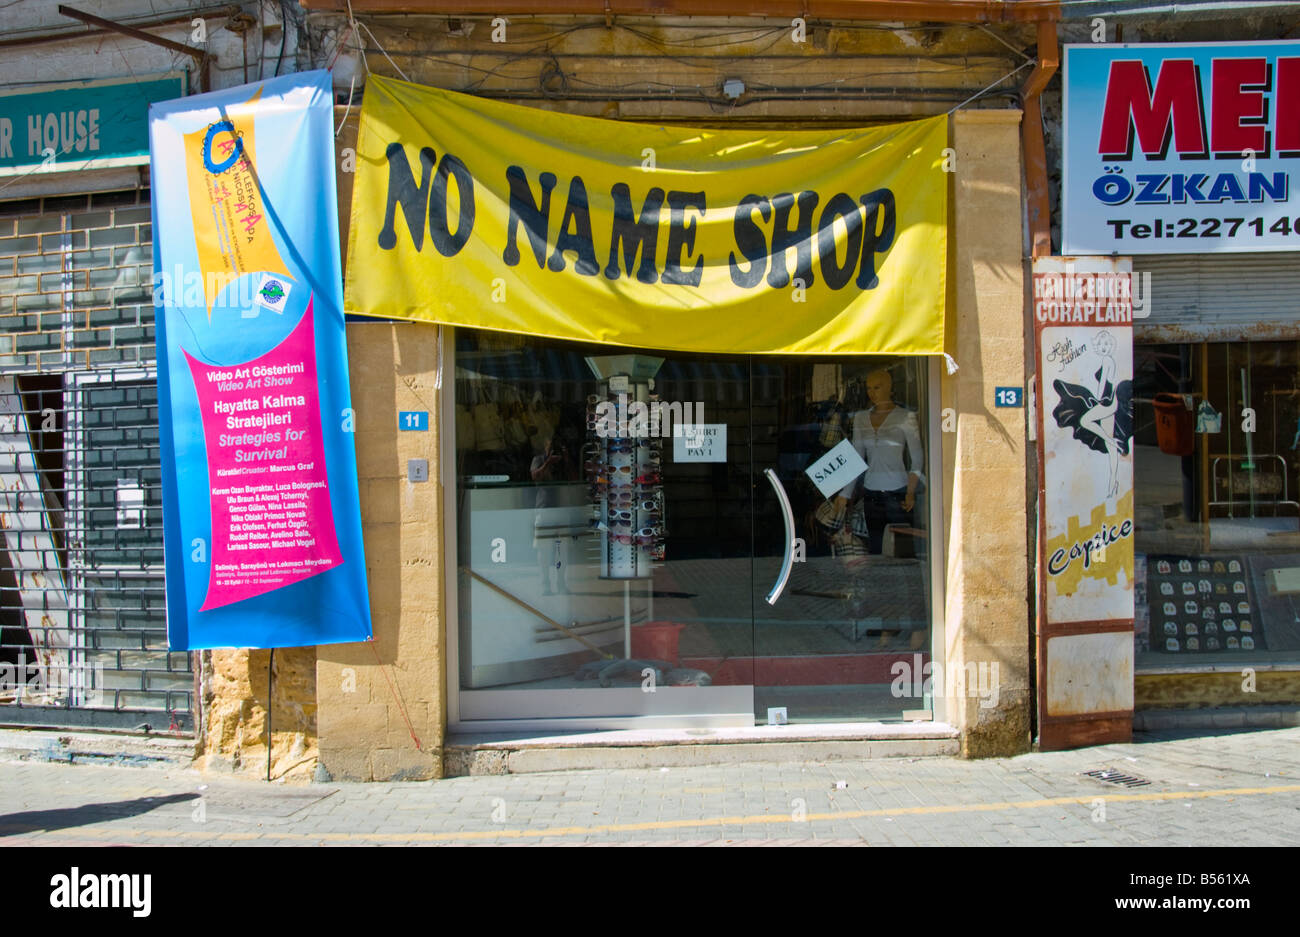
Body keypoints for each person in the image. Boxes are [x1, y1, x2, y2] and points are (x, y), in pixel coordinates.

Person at [832, 367, 925, 649]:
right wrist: (845, 494)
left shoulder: (905, 417)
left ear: (890, 387)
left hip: (898, 496)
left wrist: (910, 490)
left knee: (905, 567)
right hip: (872, 496)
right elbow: (857, 457)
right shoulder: (860, 418)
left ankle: (918, 625)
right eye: (870, 388)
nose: (873, 392)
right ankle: (889, 625)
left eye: (878, 387)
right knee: (880, 568)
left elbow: (917, 458)